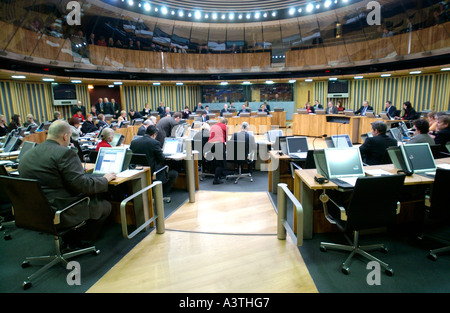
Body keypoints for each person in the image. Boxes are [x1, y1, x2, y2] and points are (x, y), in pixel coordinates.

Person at [18, 120, 116, 247]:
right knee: (104, 206)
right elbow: (82, 185)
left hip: (34, 209)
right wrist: (105, 179)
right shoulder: (64, 153)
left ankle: (71, 235)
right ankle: (82, 239)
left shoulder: (28, 153)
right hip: (60, 209)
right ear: (65, 136)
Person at [130, 125, 178, 196]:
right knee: (174, 173)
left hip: (139, 171)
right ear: (154, 134)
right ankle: (162, 194)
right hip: (153, 172)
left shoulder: (134, 142)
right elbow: (162, 158)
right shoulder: (154, 143)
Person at [208, 117, 228, 185]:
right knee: (222, 163)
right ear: (225, 123)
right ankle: (215, 179)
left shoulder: (213, 126)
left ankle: (219, 176)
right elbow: (226, 139)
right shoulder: (225, 126)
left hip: (211, 145)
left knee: (216, 161)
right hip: (218, 144)